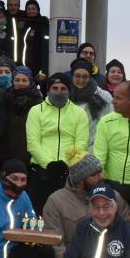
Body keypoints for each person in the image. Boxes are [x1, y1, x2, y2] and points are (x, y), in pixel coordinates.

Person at [44, 151, 130, 258]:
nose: (102, 177)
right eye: (95, 175)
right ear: (81, 180)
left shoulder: (112, 195)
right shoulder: (56, 201)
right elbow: (55, 244)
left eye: (101, 171)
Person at [25, 73, 90, 212]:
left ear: (69, 90)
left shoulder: (79, 113)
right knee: (39, 215)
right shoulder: (36, 111)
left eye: (63, 88)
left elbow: (81, 143)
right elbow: (33, 142)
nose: (59, 92)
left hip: (69, 173)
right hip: (41, 171)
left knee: (67, 215)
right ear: (48, 90)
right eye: (55, 88)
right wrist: (49, 164)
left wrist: (66, 164)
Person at [0, 66, 42, 166]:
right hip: (8, 153)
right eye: (17, 80)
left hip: (30, 155)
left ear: (30, 82)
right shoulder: (5, 98)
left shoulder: (37, 100)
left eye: (24, 80)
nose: (20, 83)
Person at [68, 59, 113, 151]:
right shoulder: (66, 95)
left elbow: (111, 123)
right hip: (70, 148)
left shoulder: (103, 96)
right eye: (77, 76)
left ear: (90, 77)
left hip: (95, 148)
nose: (81, 80)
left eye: (85, 77)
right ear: (72, 76)